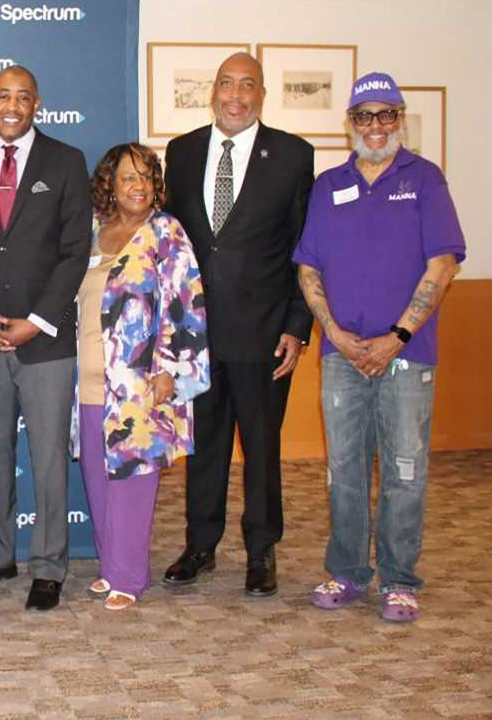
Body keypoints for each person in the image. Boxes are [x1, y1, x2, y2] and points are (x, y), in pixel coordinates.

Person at [294, 73, 465, 623]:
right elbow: (308, 266)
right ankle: (347, 572)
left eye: (385, 115)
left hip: (407, 355)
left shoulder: (426, 179)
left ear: (400, 120)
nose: (375, 126)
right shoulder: (329, 185)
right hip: (341, 356)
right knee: (343, 470)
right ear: (350, 124)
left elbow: (444, 264)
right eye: (364, 116)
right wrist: (336, 335)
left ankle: (399, 580)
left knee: (405, 469)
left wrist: (397, 337)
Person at [161, 51, 314, 597]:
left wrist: (297, 326)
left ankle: (261, 549)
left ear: (262, 94)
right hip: (197, 336)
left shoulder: (294, 156)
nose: (235, 94)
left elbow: (305, 248)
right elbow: (170, 243)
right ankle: (201, 544)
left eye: (247, 85)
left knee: (262, 446)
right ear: (213, 91)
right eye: (227, 83)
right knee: (204, 444)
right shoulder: (180, 154)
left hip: (264, 332)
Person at [0, 65, 92, 611]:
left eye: (24, 97)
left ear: (38, 104)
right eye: (4, 96)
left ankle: (50, 565)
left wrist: (38, 320)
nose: (13, 105)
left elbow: (74, 250)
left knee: (49, 458)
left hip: (46, 342)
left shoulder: (66, 161)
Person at [75, 144, 209, 611]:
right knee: (97, 473)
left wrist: (173, 371)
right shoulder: (93, 231)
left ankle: (129, 577)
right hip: (88, 381)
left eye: (147, 177)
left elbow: (188, 305)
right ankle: (110, 566)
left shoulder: (166, 232)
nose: (139, 186)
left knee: (133, 478)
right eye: (128, 177)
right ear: (110, 183)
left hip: (141, 382)